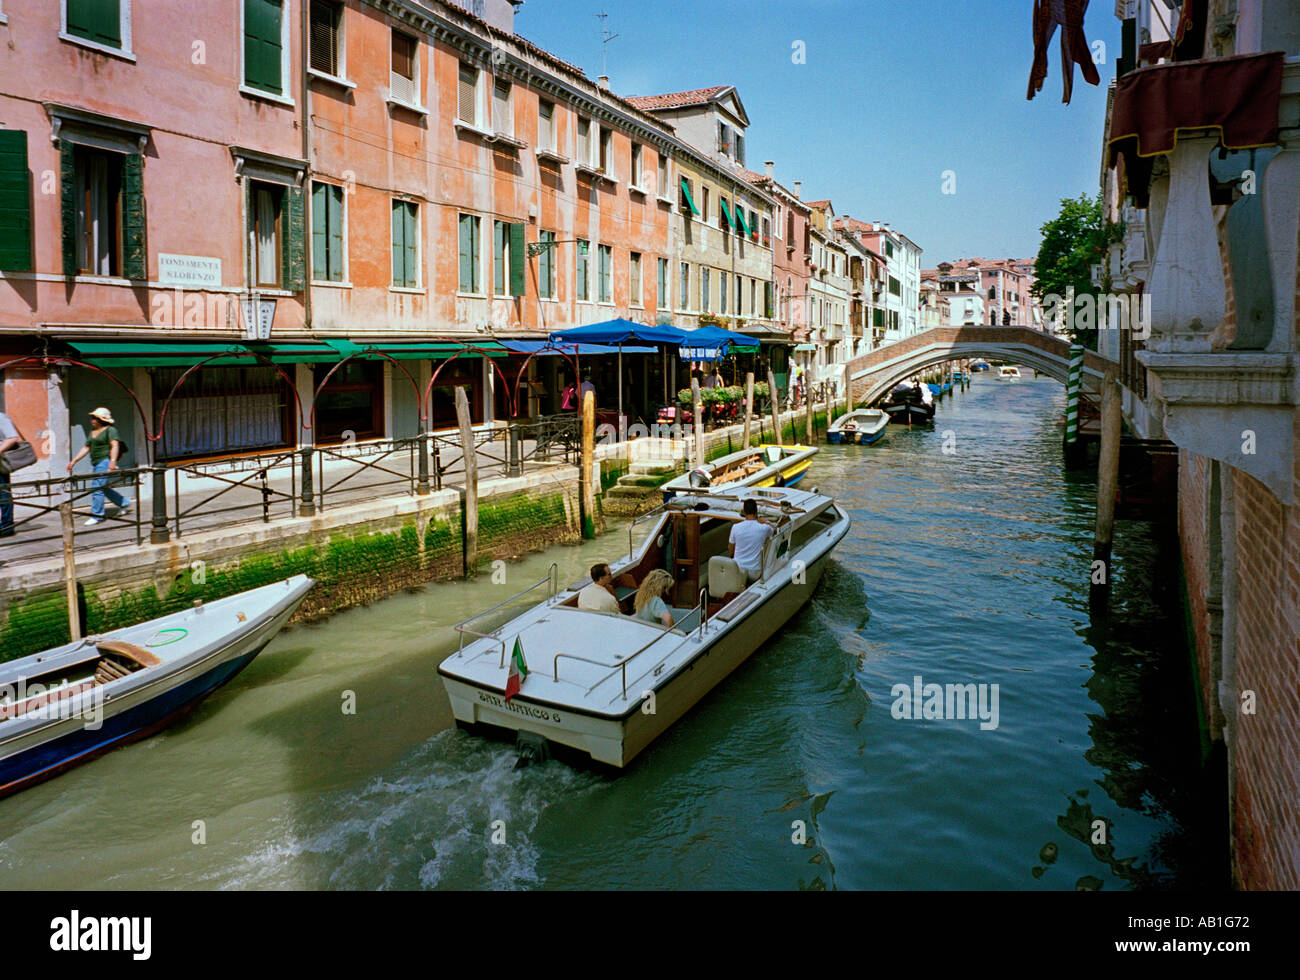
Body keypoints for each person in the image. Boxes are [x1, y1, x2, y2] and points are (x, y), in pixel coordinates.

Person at [67, 407, 129, 527]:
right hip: (96, 462)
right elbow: (86, 448)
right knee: (102, 487)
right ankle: (123, 502)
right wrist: (74, 461)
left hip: (104, 461)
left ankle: (97, 515)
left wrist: (112, 461)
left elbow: (114, 445)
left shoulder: (110, 430)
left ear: (101, 419)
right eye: (92, 417)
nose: (92, 420)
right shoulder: (92, 432)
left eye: (94, 418)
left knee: (97, 488)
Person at [728, 498, 774, 581]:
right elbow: (773, 530)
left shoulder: (735, 527)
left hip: (738, 569)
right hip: (754, 571)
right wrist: (765, 521)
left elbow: (731, 549)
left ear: (744, 512)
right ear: (756, 512)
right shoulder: (764, 528)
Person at [0, 410, 19, 538]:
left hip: (0, 463)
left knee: (3, 492)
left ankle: (7, 526)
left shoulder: (0, 417)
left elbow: (12, 438)